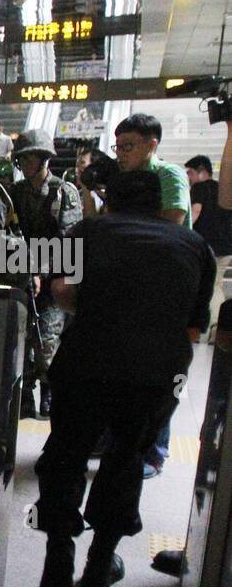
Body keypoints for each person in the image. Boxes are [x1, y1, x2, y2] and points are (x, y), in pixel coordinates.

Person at [34, 171, 216, 587]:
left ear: (108, 201)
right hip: (154, 375)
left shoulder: (84, 231)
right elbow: (194, 329)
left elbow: (61, 291)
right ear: (160, 205)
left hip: (85, 364)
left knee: (66, 454)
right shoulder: (194, 245)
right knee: (126, 458)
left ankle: (57, 560)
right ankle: (100, 564)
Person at [112, 113, 191, 477]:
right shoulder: (123, 180)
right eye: (118, 147)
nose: (121, 154)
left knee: (162, 375)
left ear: (151, 145)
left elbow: (173, 220)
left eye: (128, 146)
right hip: (133, 289)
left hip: (168, 286)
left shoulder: (168, 176)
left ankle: (155, 451)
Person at [10, 128, 83, 418]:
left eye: (32, 158)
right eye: (23, 159)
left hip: (53, 281)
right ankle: (25, 394)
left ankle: (49, 393)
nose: (27, 164)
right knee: (21, 339)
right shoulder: (14, 192)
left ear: (44, 159)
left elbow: (68, 240)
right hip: (21, 275)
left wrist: (40, 271)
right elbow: (10, 234)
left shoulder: (64, 192)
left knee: (47, 341)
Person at [186, 154, 232, 342]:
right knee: (217, 284)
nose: (188, 176)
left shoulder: (199, 188)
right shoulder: (223, 188)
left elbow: (195, 211)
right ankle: (215, 328)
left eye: (190, 172)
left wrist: (183, 231)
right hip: (226, 245)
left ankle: (206, 327)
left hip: (206, 246)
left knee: (205, 286)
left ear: (202, 172)